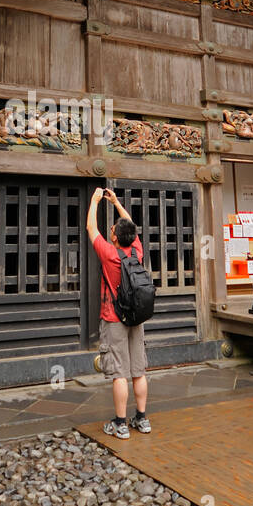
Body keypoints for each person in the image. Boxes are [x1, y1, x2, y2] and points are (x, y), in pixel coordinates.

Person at [86, 188, 150, 439]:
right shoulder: (137, 251)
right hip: (136, 317)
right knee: (138, 371)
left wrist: (94, 202)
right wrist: (116, 203)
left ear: (113, 237)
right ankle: (142, 419)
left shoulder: (109, 253)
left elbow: (91, 228)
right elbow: (131, 226)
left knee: (119, 373)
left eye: (112, 228)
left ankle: (120, 423)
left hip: (114, 318)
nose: (109, 229)